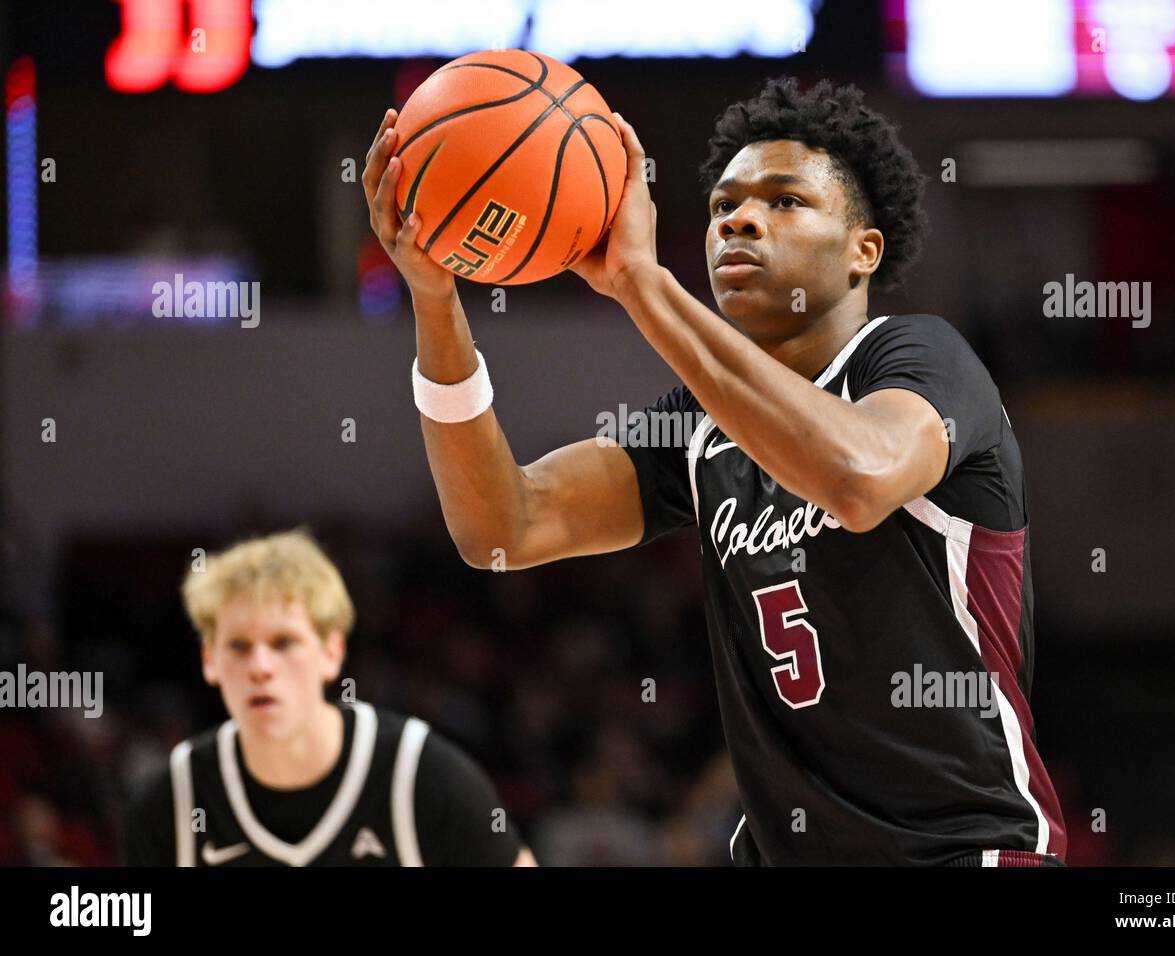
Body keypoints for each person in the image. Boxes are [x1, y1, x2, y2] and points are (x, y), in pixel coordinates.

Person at [362, 76, 1066, 866]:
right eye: (723, 205)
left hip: (961, 851)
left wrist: (641, 283)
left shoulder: (919, 358)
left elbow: (858, 478)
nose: (739, 218)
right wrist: (435, 304)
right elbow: (504, 527)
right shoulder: (701, 425)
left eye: (786, 200)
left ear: (863, 251)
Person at [122, 529, 535, 867]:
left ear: (332, 653)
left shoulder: (422, 775)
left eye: (283, 642)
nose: (260, 667)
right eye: (239, 646)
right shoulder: (170, 803)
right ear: (209, 661)